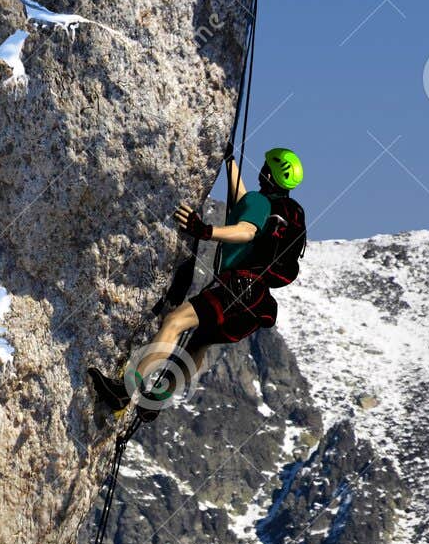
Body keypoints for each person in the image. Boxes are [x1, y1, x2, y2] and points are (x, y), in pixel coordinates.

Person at [89, 147, 307, 416]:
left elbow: (246, 229)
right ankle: (158, 397)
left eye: (265, 166)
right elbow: (242, 203)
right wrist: (230, 163)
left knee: (175, 322)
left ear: (270, 173)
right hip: (257, 301)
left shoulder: (262, 205)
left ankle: (124, 391)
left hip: (237, 289)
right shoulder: (282, 211)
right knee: (200, 340)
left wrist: (204, 231)